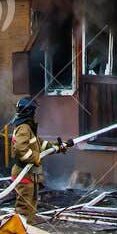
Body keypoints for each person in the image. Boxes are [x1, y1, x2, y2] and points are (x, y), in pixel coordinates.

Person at [10, 96, 70, 224]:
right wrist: (36, 157)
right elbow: (20, 149)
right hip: (24, 174)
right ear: (29, 112)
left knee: (30, 208)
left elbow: (40, 144)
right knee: (24, 209)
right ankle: (18, 232)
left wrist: (58, 147)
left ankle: (25, 230)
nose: (35, 114)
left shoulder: (28, 128)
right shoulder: (24, 127)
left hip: (30, 175)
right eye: (34, 111)